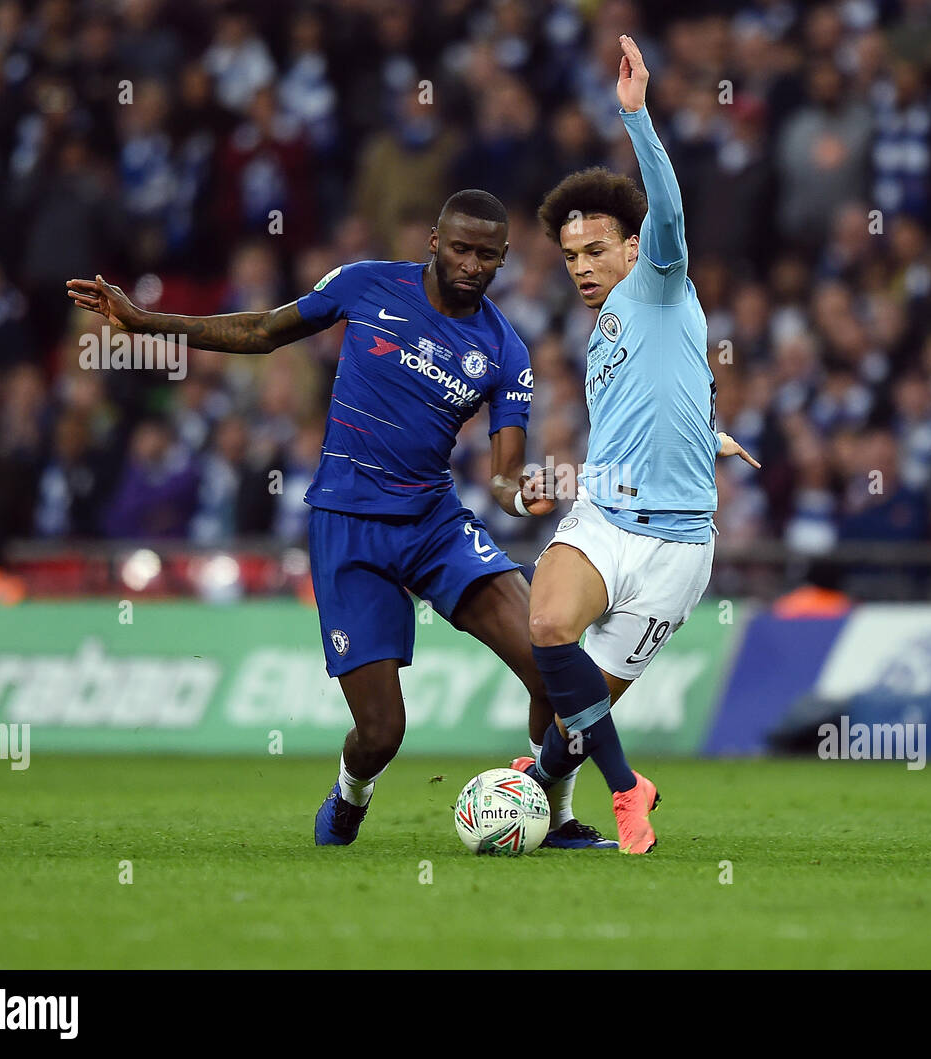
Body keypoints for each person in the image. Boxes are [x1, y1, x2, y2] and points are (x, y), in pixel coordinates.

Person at [66, 189, 615, 849]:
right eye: (461, 249)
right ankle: (352, 792)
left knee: (553, 662)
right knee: (382, 733)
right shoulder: (365, 284)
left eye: (487, 256)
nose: (472, 265)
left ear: (503, 259)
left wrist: (522, 495)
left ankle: (553, 815)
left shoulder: (505, 351)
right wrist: (147, 321)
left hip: (434, 522)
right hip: (348, 526)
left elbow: (502, 475)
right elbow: (263, 331)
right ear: (435, 243)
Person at [518, 36, 758, 853]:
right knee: (547, 624)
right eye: (570, 257)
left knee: (573, 724)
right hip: (604, 517)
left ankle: (545, 797)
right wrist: (710, 431)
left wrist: (636, 117)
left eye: (596, 251)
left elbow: (671, 212)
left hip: (676, 548)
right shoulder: (604, 334)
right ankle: (626, 788)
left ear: (634, 247)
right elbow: (649, 409)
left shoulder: (658, 281)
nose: (582, 268)